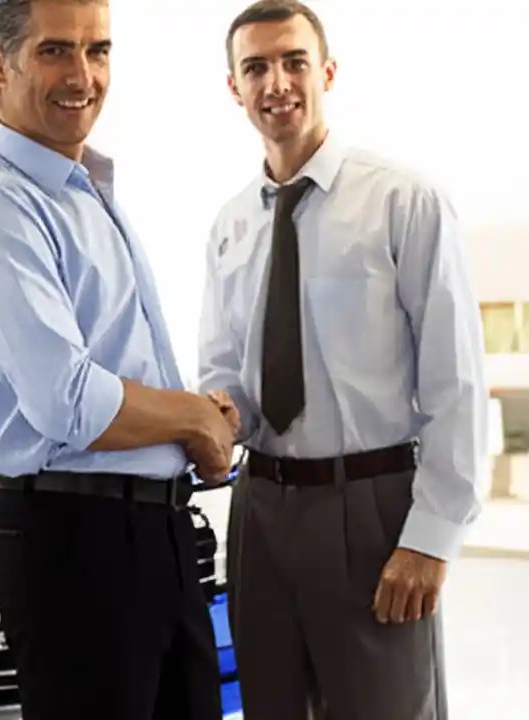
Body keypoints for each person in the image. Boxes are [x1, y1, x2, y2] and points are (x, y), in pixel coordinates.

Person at [0, 1, 236, 717]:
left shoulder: (87, 190)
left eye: (98, 51)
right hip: (76, 543)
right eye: (55, 52)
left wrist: (194, 419)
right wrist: (192, 418)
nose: (84, 74)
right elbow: (67, 401)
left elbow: (117, 367)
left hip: (154, 534)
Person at [198, 1, 487, 718]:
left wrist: (431, 538)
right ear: (233, 88)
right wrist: (201, 421)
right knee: (269, 707)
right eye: (256, 67)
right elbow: (222, 373)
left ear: (326, 72)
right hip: (261, 510)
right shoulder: (231, 224)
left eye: (294, 62)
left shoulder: (403, 201)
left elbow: (457, 381)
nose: (278, 83)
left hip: (374, 508)